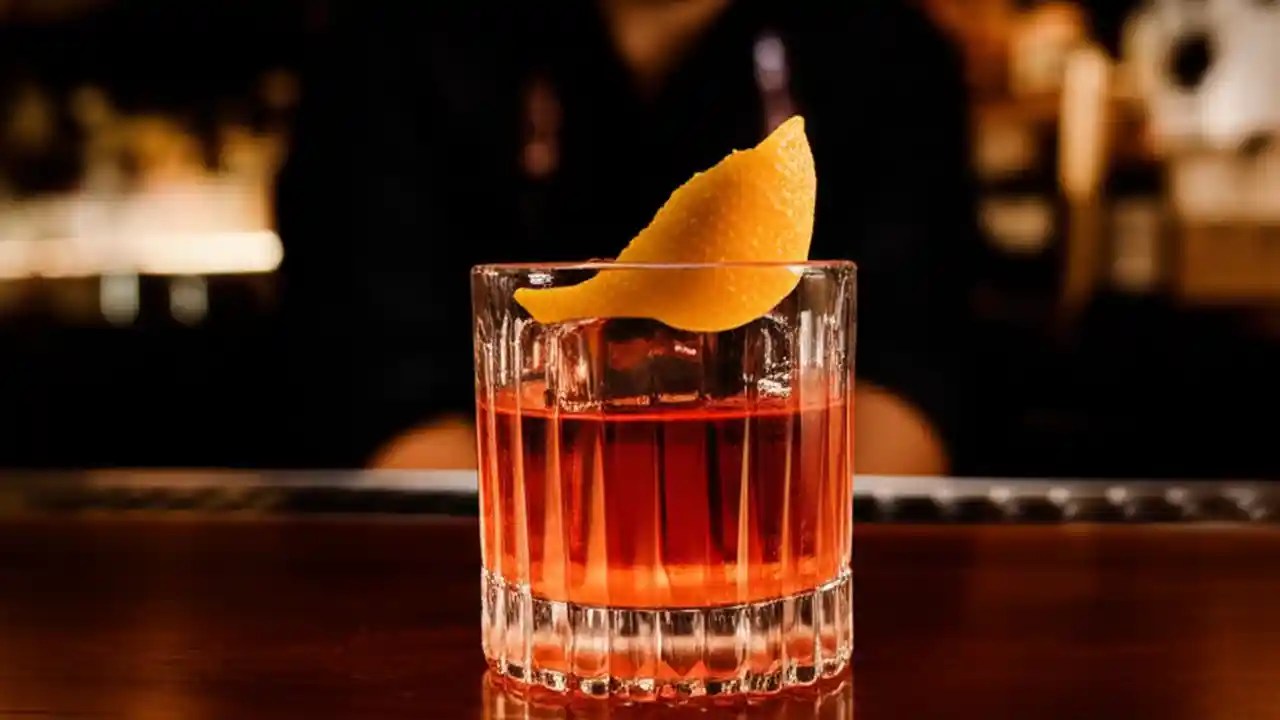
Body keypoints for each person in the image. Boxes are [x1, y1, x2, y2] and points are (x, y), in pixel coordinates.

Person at [276, 0, 979, 474]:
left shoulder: (883, 46)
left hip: (774, 586)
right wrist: (580, 582)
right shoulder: (394, 42)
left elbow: (911, 378)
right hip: (491, 589)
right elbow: (377, 390)